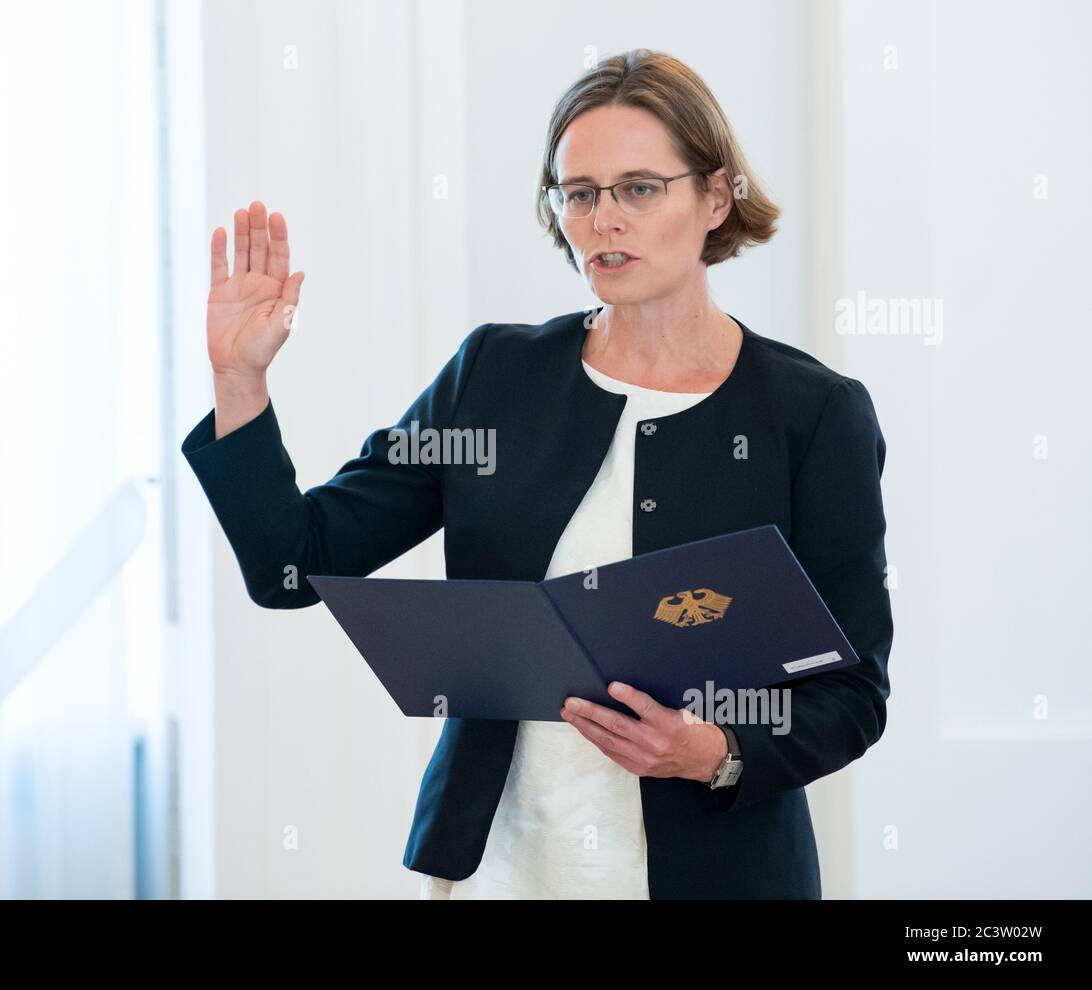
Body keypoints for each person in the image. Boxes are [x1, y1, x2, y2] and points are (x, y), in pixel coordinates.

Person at [181, 49, 893, 899]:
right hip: (502, 873)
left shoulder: (812, 414)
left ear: (714, 197)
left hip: (719, 874)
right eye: (579, 193)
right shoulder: (493, 375)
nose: (603, 220)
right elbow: (293, 566)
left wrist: (716, 751)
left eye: (638, 188)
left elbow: (853, 692)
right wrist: (240, 382)